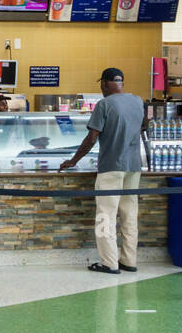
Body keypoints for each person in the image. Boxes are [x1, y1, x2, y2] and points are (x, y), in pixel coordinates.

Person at [59, 67, 146, 274]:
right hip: (134, 166)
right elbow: (143, 128)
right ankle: (129, 260)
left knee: (106, 215)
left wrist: (74, 160)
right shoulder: (138, 101)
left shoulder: (104, 104)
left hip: (111, 167)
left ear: (105, 84)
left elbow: (91, 138)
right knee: (129, 214)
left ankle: (110, 263)